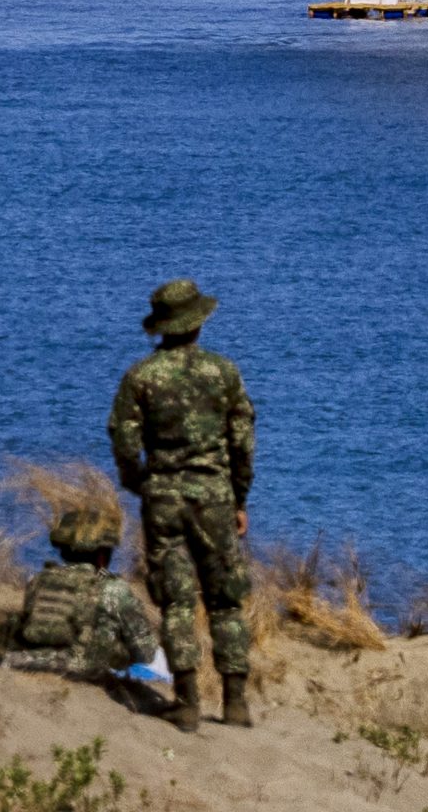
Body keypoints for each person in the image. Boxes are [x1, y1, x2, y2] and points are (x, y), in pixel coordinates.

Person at [108, 278, 256, 732]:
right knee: (226, 600)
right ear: (198, 322)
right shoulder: (224, 372)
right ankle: (234, 703)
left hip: (164, 500)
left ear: (162, 327)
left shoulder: (140, 378)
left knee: (176, 602)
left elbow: (123, 439)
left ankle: (188, 701)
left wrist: (143, 485)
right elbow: (242, 440)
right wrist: (239, 497)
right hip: (213, 496)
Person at [0, 508, 158, 683]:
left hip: (23, 661)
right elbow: (146, 652)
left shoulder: (38, 581)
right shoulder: (113, 588)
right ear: (102, 556)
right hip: (81, 670)